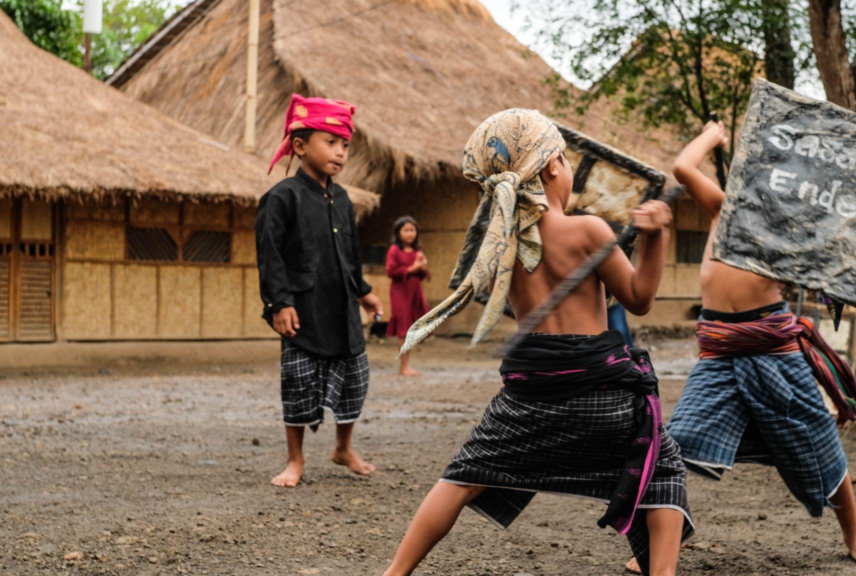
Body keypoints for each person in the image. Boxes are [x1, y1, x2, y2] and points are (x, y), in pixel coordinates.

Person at [381, 109, 692, 576]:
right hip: (603, 396)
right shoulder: (589, 231)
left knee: (462, 476)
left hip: (530, 396)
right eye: (565, 161)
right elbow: (640, 299)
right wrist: (656, 238)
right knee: (664, 470)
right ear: (552, 166)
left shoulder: (502, 243)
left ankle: (394, 573)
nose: (568, 171)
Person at [627, 120, 856, 572]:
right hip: (718, 352)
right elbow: (682, 166)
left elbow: (841, 254)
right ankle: (659, 547)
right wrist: (714, 135)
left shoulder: (791, 232)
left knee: (822, 441)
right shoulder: (723, 209)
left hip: (775, 350)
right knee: (672, 446)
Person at [257, 94, 383, 487]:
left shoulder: (343, 199)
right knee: (298, 383)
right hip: (302, 310)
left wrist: (363, 291)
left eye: (345, 145)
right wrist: (279, 302)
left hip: (341, 307)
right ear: (299, 145)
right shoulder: (281, 198)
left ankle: (343, 448)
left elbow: (350, 251)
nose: (340, 152)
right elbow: (270, 255)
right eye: (331, 142)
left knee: (354, 380)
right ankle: (295, 460)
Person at [386, 216, 430, 376]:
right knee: (403, 329)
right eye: (406, 230)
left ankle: (407, 364)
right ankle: (403, 366)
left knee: (412, 329)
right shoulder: (394, 250)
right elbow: (390, 271)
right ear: (398, 233)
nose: (410, 234)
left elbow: (423, 276)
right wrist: (412, 268)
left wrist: (423, 266)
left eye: (412, 230)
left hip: (414, 293)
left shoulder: (417, 251)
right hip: (399, 293)